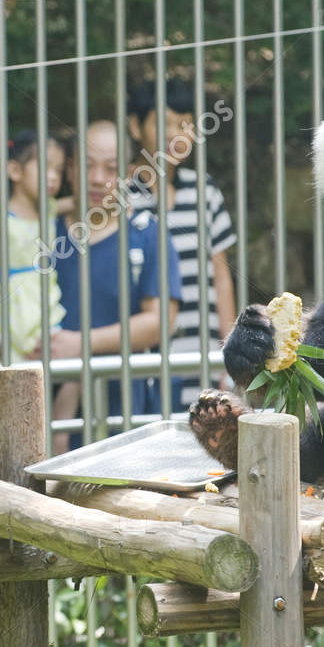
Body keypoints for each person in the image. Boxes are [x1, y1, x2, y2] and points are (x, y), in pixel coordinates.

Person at [48, 120, 183, 452]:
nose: (97, 178)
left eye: (110, 168)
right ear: (70, 169)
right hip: (47, 416)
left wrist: (80, 344)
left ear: (129, 174)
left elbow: (160, 322)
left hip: (130, 415)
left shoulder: (147, 235)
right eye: (87, 165)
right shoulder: (44, 234)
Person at [124, 78, 237, 410]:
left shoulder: (204, 190)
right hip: (144, 358)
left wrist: (228, 355)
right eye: (165, 123)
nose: (176, 135)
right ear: (135, 126)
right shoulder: (120, 196)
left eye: (185, 125)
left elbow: (221, 278)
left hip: (202, 352)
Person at [0, 130, 67, 367]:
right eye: (45, 167)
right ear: (15, 171)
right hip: (10, 310)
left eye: (58, 170)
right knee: (12, 372)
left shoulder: (49, 210)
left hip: (44, 304)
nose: (53, 177)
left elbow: (79, 203)